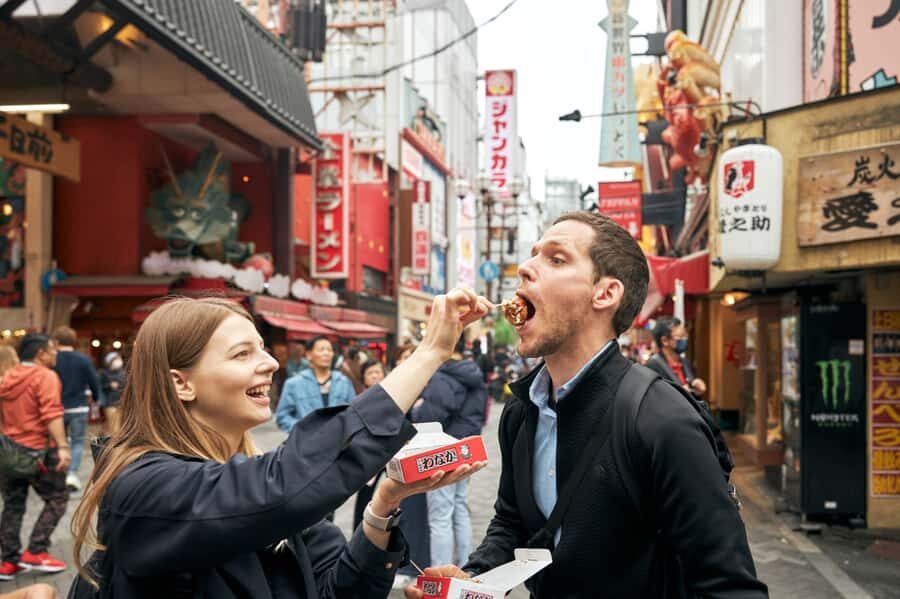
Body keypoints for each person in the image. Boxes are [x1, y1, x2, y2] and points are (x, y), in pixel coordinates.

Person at [407, 212, 766, 598]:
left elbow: (730, 587)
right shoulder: (520, 411)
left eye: (556, 259)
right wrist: (474, 578)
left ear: (605, 293)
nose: (525, 269)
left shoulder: (663, 420)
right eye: (532, 256)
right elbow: (514, 524)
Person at [68, 291, 490, 598]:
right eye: (241, 354)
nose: (269, 363)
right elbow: (284, 488)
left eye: (263, 349)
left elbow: (335, 590)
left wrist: (382, 505)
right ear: (181, 382)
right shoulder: (142, 486)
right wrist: (429, 352)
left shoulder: (262, 479)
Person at [413, 337, 487, 569]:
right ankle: (464, 565)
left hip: (444, 449)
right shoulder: (474, 374)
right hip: (467, 447)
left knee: (440, 516)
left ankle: (440, 571)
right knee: (459, 508)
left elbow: (430, 415)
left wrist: (417, 409)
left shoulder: (443, 376)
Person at [0, 334, 70, 580]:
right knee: (58, 498)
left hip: (9, 452)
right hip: (39, 450)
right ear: (41, 353)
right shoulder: (46, 377)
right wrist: (62, 446)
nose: (56, 354)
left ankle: (8, 562)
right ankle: (37, 550)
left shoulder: (8, 376)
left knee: (13, 504)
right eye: (52, 350)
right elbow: (51, 413)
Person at [52, 326, 103, 492]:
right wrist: (96, 398)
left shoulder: (52, 359)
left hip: (55, 408)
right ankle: (72, 474)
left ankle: (57, 472)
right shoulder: (83, 359)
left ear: (56, 341)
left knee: (58, 441)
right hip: (78, 406)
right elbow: (93, 381)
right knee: (77, 441)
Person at [274, 336, 355, 431]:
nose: (326, 353)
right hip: (306, 443)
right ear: (309, 355)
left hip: (339, 441)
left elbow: (354, 413)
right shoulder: (294, 384)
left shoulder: (344, 382)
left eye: (329, 350)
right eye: (321, 350)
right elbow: (282, 416)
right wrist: (302, 430)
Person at [352, 359, 388, 530]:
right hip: (371, 455)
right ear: (364, 378)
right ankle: (359, 532)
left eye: (378, 372)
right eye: (370, 373)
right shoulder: (359, 400)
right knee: (365, 496)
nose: (375, 376)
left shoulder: (395, 394)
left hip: (393, 453)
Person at [647, 317, 708, 397]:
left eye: (685, 335)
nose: (685, 339)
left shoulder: (686, 363)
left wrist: (696, 389)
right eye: (680, 336)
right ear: (665, 341)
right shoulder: (653, 364)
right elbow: (654, 396)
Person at [98, 352, 126, 436]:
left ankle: (107, 438)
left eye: (119, 359)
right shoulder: (103, 373)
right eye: (115, 359)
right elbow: (99, 386)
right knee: (113, 425)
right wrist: (109, 386)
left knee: (120, 424)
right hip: (109, 402)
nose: (118, 361)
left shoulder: (123, 373)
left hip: (122, 402)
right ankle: (112, 443)